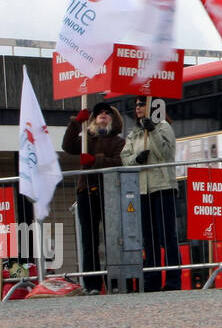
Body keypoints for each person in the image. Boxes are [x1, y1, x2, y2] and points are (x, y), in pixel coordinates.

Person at [62, 102, 125, 293]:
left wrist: (95, 160)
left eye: (107, 113)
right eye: (99, 113)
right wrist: (75, 123)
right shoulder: (86, 140)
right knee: (88, 241)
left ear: (113, 120)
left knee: (111, 239)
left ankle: (113, 281)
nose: (103, 115)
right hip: (87, 191)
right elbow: (67, 145)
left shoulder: (119, 142)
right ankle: (92, 284)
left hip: (109, 193)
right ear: (93, 119)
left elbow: (119, 161)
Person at [121, 97, 181, 292]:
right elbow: (124, 158)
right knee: (149, 239)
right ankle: (152, 281)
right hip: (142, 190)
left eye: (142, 104)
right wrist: (136, 160)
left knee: (167, 237)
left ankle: (173, 281)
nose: (138, 107)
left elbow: (164, 153)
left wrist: (153, 130)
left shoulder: (164, 127)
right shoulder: (134, 134)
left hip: (162, 186)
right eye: (136, 104)